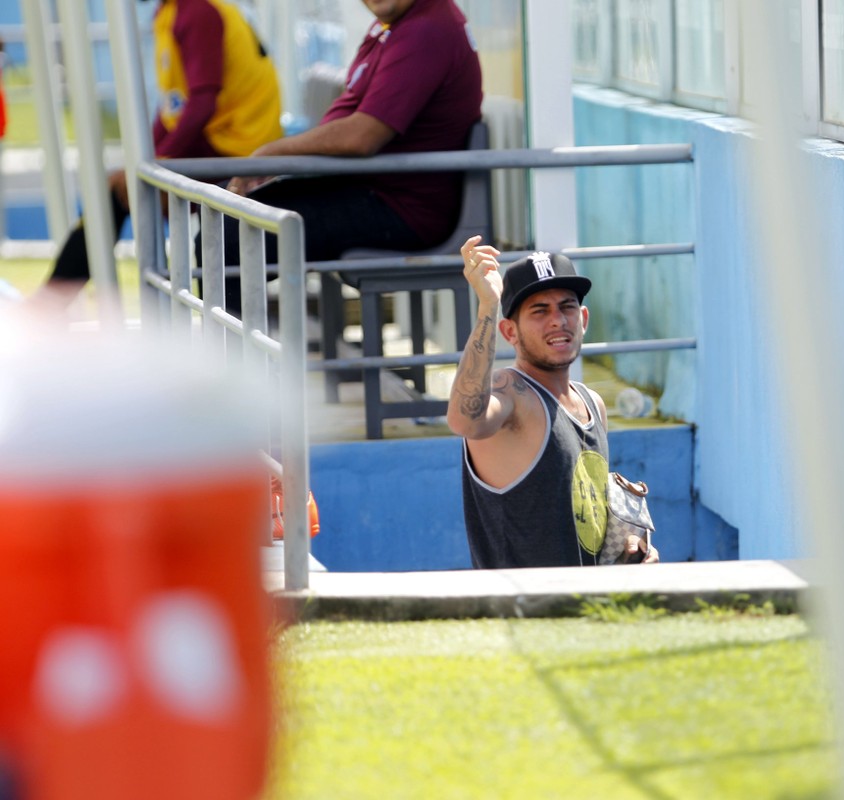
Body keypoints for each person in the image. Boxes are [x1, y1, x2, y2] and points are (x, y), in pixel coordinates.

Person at [221, 0, 484, 309]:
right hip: (375, 191)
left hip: (401, 209)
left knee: (233, 234)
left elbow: (361, 136)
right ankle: (236, 348)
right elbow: (348, 124)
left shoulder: (425, 29)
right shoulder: (395, 24)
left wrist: (270, 154)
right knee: (232, 219)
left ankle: (231, 354)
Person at [34, 0, 282, 310]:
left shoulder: (197, 11)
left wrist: (154, 162)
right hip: (221, 142)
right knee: (121, 186)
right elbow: (173, 110)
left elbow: (202, 105)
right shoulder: (173, 12)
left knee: (122, 191)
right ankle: (48, 305)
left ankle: (46, 307)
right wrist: (145, 159)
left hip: (239, 151)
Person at [448, 235, 660, 569]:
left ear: (584, 319)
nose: (558, 320)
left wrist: (630, 548)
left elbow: (586, 519)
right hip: (522, 616)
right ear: (509, 332)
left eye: (567, 307)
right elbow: (464, 420)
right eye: (539, 310)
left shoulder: (592, 403)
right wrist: (488, 306)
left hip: (588, 613)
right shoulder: (511, 394)